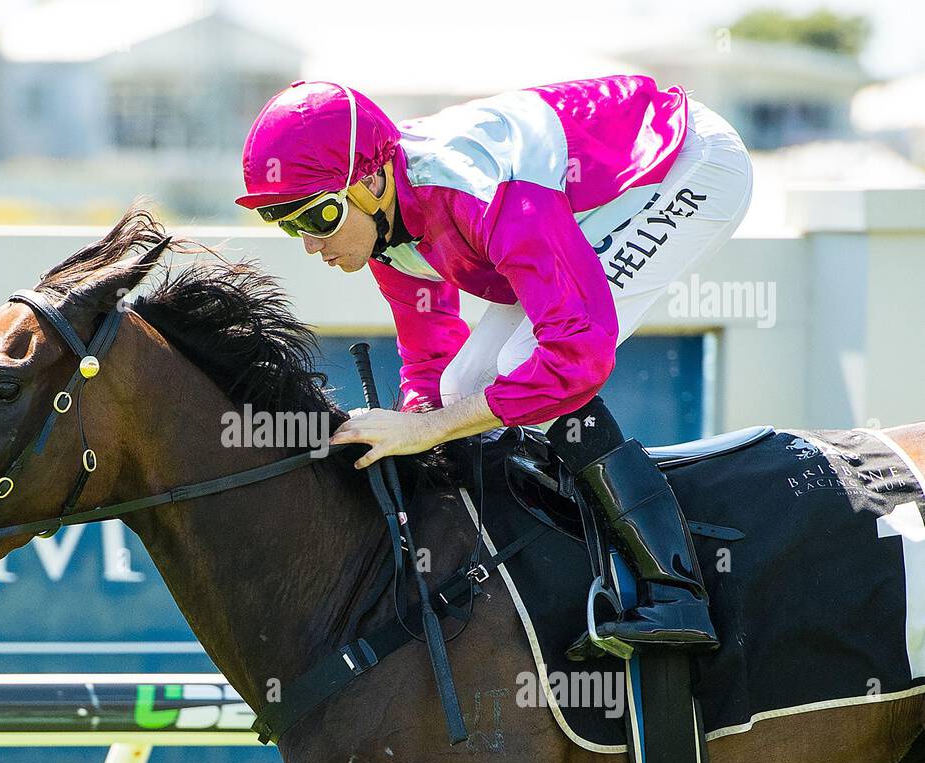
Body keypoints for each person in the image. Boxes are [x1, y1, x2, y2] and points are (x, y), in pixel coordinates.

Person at [235, 76, 754, 655]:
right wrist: (412, 438)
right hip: (581, 195)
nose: (311, 243)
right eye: (288, 222)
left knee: (525, 361)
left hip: (687, 163)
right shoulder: (387, 230)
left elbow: (577, 357)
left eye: (319, 217)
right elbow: (431, 367)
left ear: (373, 180)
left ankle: (674, 589)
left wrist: (429, 429)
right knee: (464, 384)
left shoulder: (481, 195)